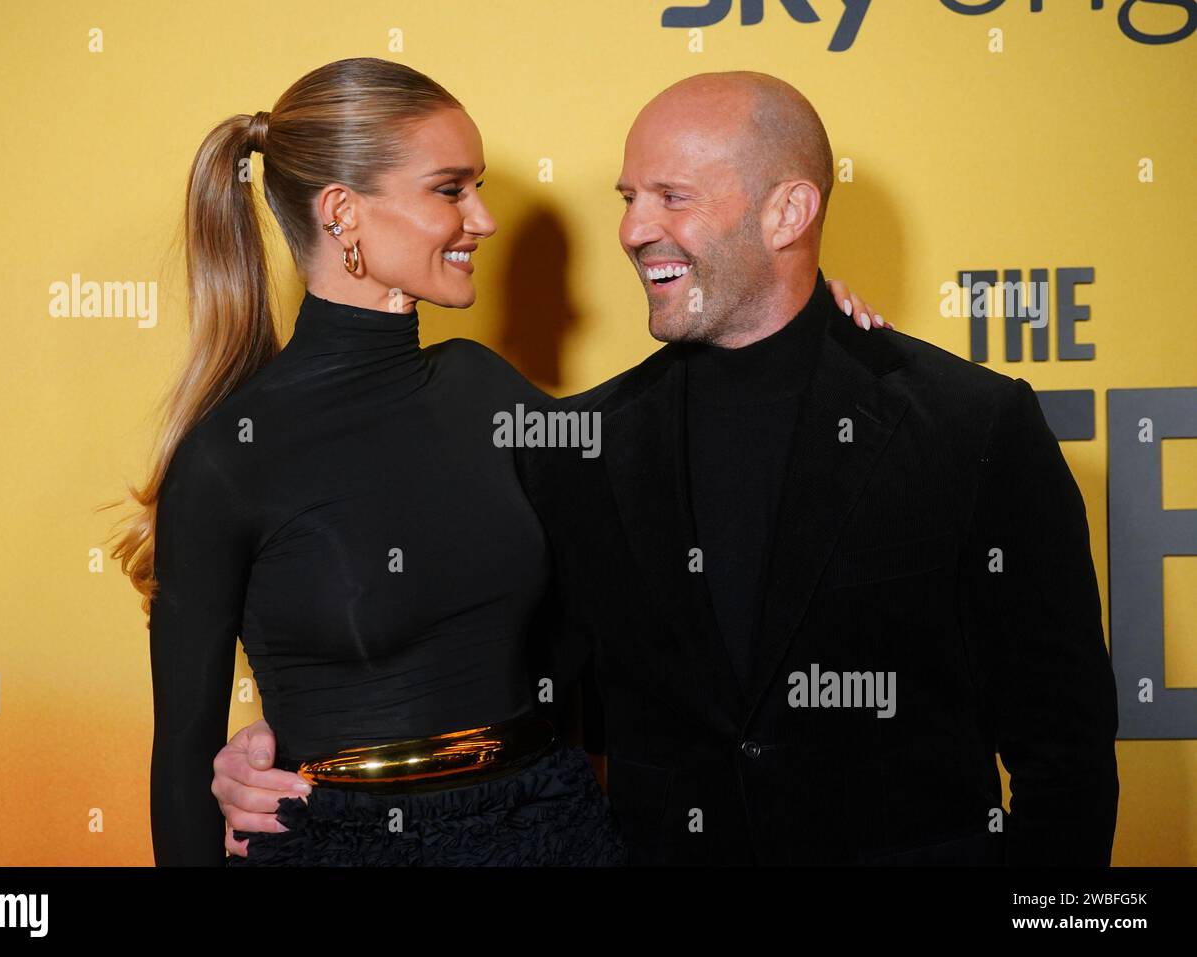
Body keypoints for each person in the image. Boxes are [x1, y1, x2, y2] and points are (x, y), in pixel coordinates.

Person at [214, 69, 1119, 867]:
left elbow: (1065, 755)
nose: (633, 229)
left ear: (788, 212)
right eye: (627, 196)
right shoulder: (577, 441)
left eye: (672, 197)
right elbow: (497, 674)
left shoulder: (972, 422)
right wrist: (293, 741)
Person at [113, 58, 883, 866]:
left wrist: (803, 336)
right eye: (450, 189)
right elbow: (182, 764)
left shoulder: (486, 392)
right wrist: (254, 756)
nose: (482, 218)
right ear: (342, 214)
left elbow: (678, 475)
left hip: (552, 829)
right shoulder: (227, 460)